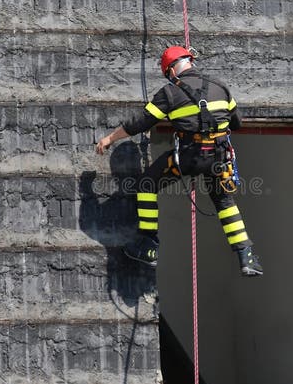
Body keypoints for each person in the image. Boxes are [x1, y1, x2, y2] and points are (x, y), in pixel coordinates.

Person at [96, 46, 263, 276]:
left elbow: (140, 123)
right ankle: (247, 257)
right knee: (223, 200)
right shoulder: (220, 86)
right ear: (189, 62)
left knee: (147, 184)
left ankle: (149, 246)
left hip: (189, 157)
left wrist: (109, 138)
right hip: (219, 158)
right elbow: (237, 123)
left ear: (172, 71)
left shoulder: (170, 92)